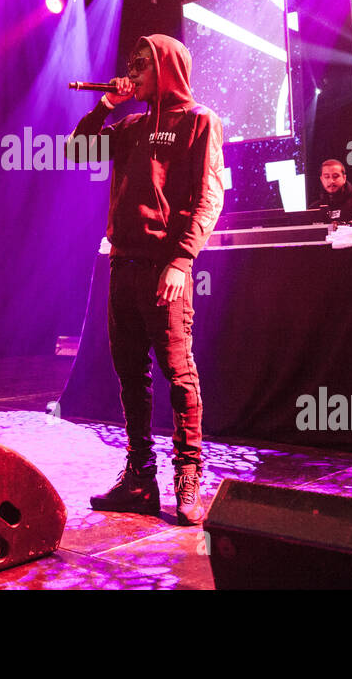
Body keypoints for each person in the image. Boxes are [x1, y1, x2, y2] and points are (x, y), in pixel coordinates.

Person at [67, 34, 225, 525]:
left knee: (179, 372)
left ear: (167, 67)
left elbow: (208, 196)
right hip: (123, 262)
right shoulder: (131, 125)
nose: (132, 71)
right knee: (130, 375)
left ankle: (189, 472)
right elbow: (77, 151)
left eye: (142, 64)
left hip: (165, 268)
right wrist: (106, 104)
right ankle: (140, 476)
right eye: (131, 63)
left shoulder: (199, 121)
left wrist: (181, 260)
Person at [317, 159, 352, 224]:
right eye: (327, 177)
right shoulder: (314, 209)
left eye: (335, 176)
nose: (331, 181)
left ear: (344, 178)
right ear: (321, 179)